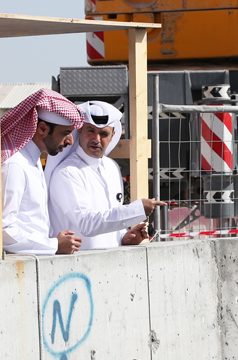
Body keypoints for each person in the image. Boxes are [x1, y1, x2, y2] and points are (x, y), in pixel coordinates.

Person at [0, 89, 85, 260]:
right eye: (65, 133)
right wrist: (54, 245)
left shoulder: (31, 160)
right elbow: (1, 230)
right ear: (42, 128)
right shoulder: (14, 165)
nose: (70, 141)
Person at [46, 101, 165, 249]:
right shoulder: (67, 173)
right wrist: (136, 210)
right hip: (79, 262)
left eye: (103, 134)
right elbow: (86, 224)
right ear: (80, 131)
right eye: (91, 131)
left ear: (113, 136)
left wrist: (123, 238)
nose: (96, 139)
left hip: (112, 259)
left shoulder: (112, 167)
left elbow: (111, 217)